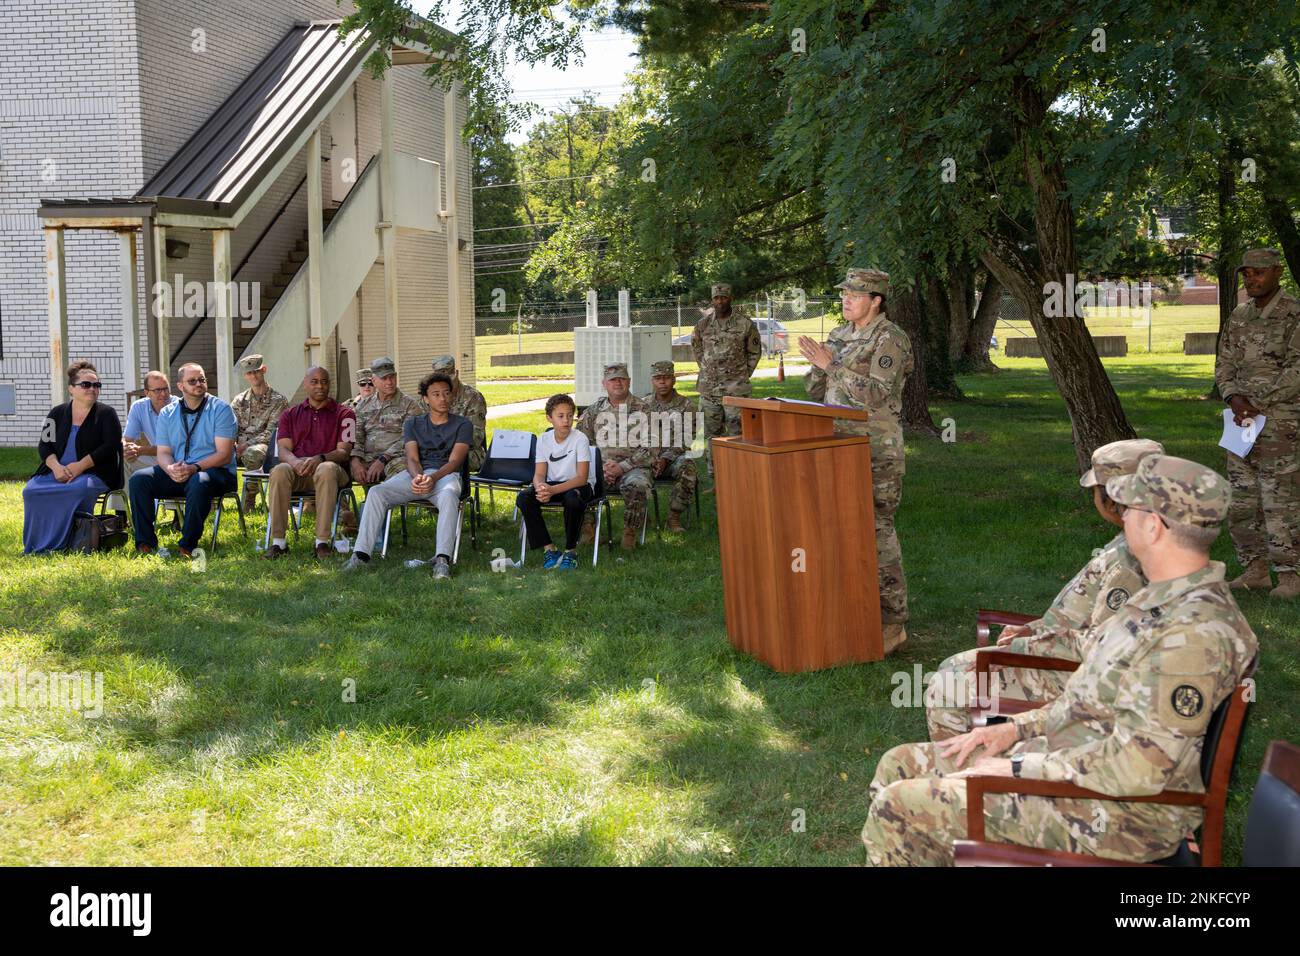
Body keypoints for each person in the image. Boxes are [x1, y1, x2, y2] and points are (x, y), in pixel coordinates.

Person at [862, 455, 1257, 866]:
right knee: (899, 765)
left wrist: (1017, 770)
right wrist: (1014, 729)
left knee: (901, 806)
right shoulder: (1160, 599)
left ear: (1154, 526)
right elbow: (1090, 699)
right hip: (1072, 766)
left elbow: (1138, 770)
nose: (1123, 517)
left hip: (1114, 817)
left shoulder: (1192, 636)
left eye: (1132, 509)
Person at [925, 438, 1162, 740]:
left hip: (1074, 674)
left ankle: (959, 778)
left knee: (948, 685)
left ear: (1112, 499)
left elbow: (1104, 651)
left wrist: (1031, 642)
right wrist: (1033, 629)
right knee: (954, 668)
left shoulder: (1129, 563)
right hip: (1062, 652)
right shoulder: (1143, 536)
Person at [802, 268, 915, 653]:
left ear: (876, 300)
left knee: (876, 530)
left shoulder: (891, 338)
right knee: (841, 530)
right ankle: (853, 610)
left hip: (875, 449)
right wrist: (819, 367)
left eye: (855, 294)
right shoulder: (840, 335)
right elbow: (815, 388)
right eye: (844, 293)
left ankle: (892, 622)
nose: (845, 300)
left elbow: (877, 395)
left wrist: (830, 364)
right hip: (835, 445)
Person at [1214, 247, 1300, 599]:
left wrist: (1257, 402)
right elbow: (1224, 361)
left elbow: (1297, 368)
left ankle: (1291, 575)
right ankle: (1256, 568)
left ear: (1278, 272)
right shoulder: (1239, 315)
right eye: (1247, 273)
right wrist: (1233, 397)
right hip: (1240, 421)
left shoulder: (1294, 313)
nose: (1252, 279)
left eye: (1259, 272)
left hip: (1281, 421)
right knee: (1241, 498)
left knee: (1280, 499)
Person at [342, 372, 471, 580]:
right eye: (436, 394)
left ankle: (442, 560)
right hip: (415, 475)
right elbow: (411, 457)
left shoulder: (462, 424)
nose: (443, 398)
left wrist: (433, 478)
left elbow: (455, 462)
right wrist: (418, 477)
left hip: (446, 476)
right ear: (426, 399)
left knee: (448, 496)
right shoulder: (414, 423)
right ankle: (361, 555)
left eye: (446, 393)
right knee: (377, 492)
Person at [128, 363, 237, 558]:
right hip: (180, 471)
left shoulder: (221, 409)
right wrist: (170, 468)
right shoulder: (168, 413)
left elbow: (224, 455)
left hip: (216, 472)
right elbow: (163, 452)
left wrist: (194, 468)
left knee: (199, 481)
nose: (199, 384)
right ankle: (145, 543)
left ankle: (187, 545)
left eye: (202, 379)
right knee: (139, 479)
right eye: (192, 381)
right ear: (180, 386)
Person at [23, 361, 123, 554]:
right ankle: (36, 545)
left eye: (96, 385)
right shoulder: (56, 413)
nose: (92, 389)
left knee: (77, 489)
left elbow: (109, 447)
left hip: (94, 473)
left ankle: (70, 542)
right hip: (57, 471)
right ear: (71, 389)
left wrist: (79, 467)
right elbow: (44, 445)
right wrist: (56, 467)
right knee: (30, 491)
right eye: (86, 384)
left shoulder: (107, 414)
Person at [264, 366, 355, 560]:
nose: (320, 386)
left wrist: (320, 458)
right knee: (280, 470)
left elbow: (344, 452)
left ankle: (321, 542)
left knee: (325, 469)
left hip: (333, 471)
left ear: (329, 385)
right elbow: (283, 450)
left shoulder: (345, 414)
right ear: (305, 384)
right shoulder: (289, 414)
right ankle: (278, 543)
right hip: (299, 470)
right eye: (314, 381)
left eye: (324, 382)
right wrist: (295, 462)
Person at [576, 362, 654, 551]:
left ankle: (630, 532)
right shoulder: (594, 411)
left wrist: (622, 467)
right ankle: (588, 530)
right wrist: (599, 467)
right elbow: (581, 443)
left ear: (629, 381)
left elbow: (652, 448)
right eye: (613, 380)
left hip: (633, 469)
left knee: (638, 484)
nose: (617, 383)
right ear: (604, 383)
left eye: (622, 379)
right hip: (599, 468)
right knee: (578, 482)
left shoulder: (644, 410)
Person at [516, 394, 594, 570]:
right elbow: (539, 474)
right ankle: (549, 549)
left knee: (573, 501)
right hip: (552, 485)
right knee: (524, 498)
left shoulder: (580, 438)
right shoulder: (544, 439)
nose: (566, 420)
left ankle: (571, 551)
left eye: (569, 415)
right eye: (560, 416)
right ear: (549, 418)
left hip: (578, 486)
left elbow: (582, 477)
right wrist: (540, 488)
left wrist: (552, 490)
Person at [691, 283, 761, 475]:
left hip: (736, 390)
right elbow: (697, 350)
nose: (720, 301)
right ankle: (716, 475)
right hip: (709, 391)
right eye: (716, 298)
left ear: (730, 299)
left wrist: (742, 375)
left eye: (723, 298)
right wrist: (708, 371)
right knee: (712, 435)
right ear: (712, 300)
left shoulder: (744, 324)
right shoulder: (702, 325)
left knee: (739, 433)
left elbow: (754, 352)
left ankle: (741, 473)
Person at [230, 353, 288, 512]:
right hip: (238, 447)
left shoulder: (278, 400)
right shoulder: (239, 400)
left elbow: (272, 432)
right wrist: (233, 445)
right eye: (249, 373)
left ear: (264, 370)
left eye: (256, 371)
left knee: (253, 453)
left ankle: (249, 502)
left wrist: (246, 445)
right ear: (245, 376)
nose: (253, 375)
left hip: (264, 447)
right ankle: (214, 502)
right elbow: (230, 427)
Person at [645, 360, 699, 532]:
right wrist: (652, 458)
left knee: (688, 466)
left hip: (674, 458)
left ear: (674, 380)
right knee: (631, 469)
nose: (662, 382)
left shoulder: (687, 406)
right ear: (652, 380)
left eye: (667, 378)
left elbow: (686, 439)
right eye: (658, 378)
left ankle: (673, 517)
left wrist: (665, 459)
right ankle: (642, 519)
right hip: (648, 458)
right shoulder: (642, 405)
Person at [430, 355, 488, 472]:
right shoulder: (430, 397)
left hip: (468, 453)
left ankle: (456, 490)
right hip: (435, 450)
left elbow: (475, 436)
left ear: (456, 374)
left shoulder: (473, 397)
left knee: (442, 462)